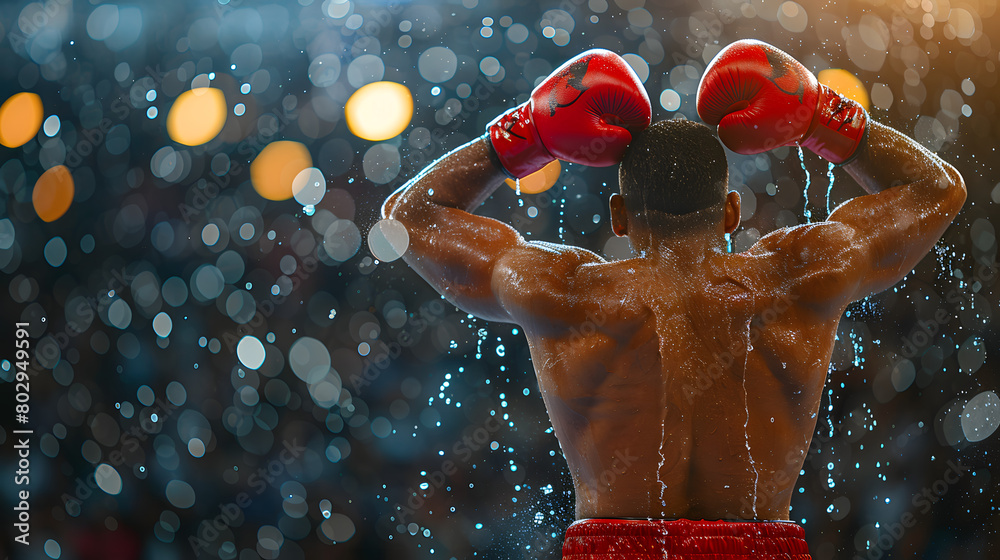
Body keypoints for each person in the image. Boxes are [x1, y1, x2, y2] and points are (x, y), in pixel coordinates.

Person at [381, 40, 966, 559]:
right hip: (760, 542)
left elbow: (409, 218)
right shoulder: (796, 280)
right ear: (731, 211)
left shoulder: (563, 292)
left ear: (620, 216)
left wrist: (527, 135)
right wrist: (820, 116)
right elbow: (937, 189)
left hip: (610, 548)